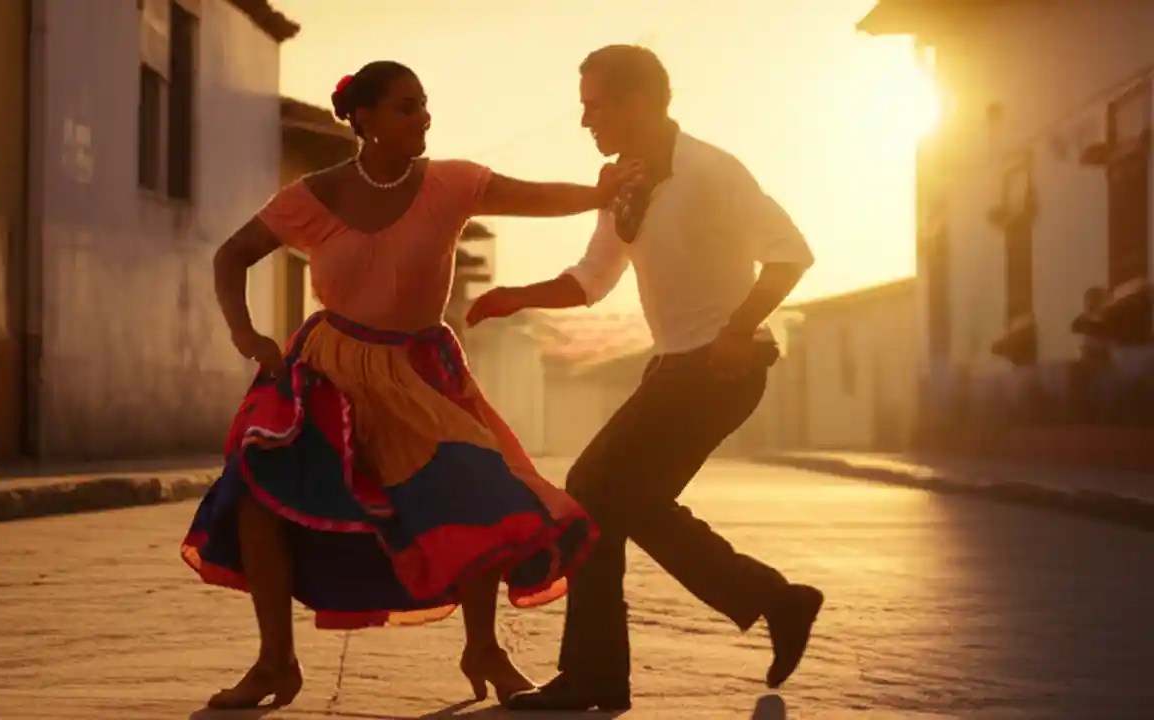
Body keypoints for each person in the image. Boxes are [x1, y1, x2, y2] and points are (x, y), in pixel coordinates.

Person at [181, 61, 636, 710]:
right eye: (406, 106)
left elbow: (536, 198)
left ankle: (483, 646)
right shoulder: (313, 197)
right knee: (258, 494)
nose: (423, 116)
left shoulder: (451, 184)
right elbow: (231, 256)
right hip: (329, 372)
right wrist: (246, 336)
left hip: (421, 375)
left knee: (481, 491)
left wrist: (599, 194)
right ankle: (275, 662)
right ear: (363, 119)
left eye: (424, 104)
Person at [466, 45, 825, 712]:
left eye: (595, 105)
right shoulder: (622, 185)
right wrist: (518, 295)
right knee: (627, 504)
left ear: (639, 102)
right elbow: (592, 279)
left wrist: (738, 328)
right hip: (678, 367)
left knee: (592, 489)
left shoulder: (715, 172)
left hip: (723, 368)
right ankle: (774, 601)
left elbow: (790, 254)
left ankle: (597, 677)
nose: (584, 121)